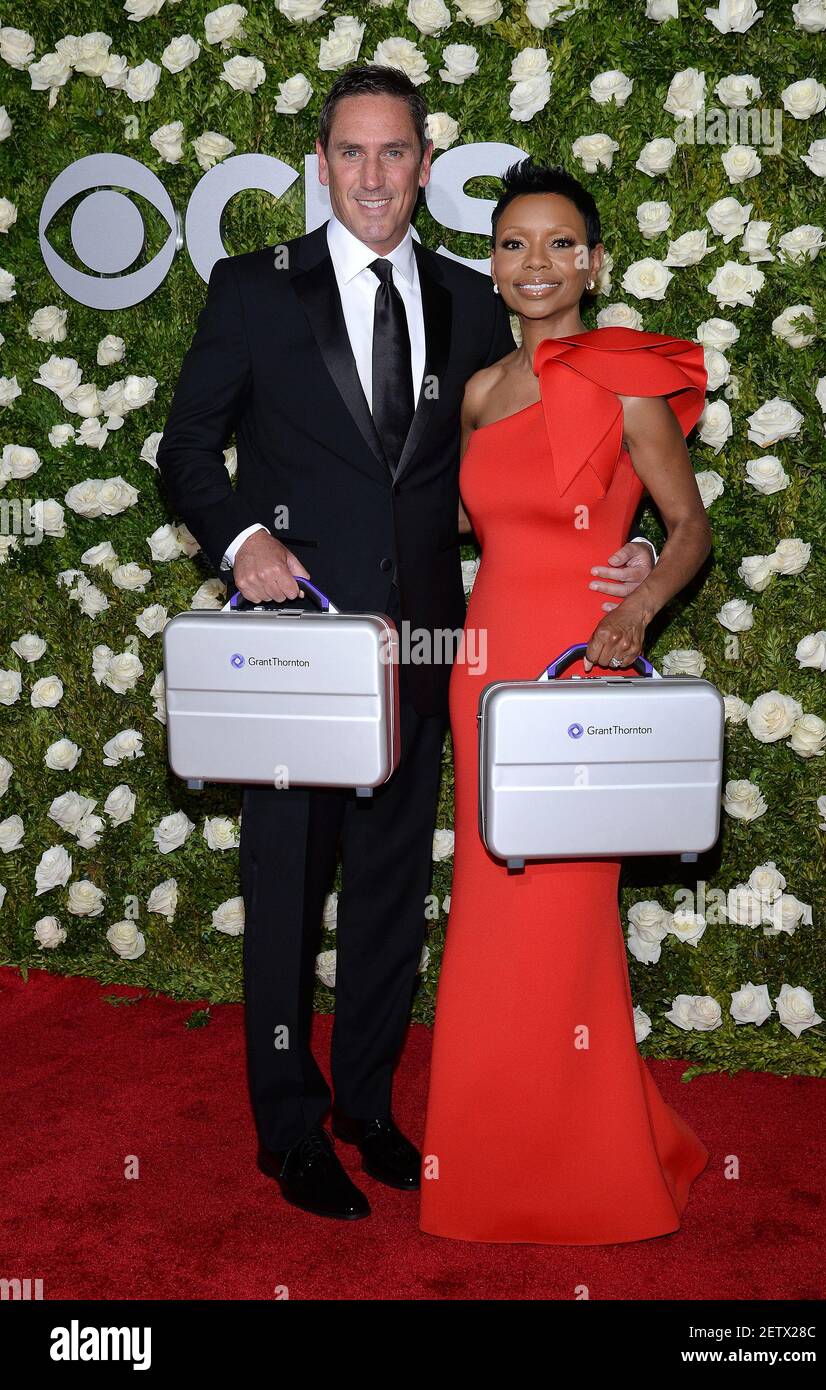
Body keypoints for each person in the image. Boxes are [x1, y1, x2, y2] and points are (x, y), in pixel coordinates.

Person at [156, 69, 658, 1222]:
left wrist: (625, 553)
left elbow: (547, 464)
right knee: (283, 893)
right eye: (351, 154)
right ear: (319, 163)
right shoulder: (250, 291)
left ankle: (367, 1104)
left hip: (431, 648)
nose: (373, 177)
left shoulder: (472, 302)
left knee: (387, 892)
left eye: (395, 156)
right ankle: (286, 1128)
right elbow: (185, 446)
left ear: (425, 166)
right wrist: (239, 540)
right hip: (297, 657)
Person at [419, 157, 712, 1245]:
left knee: (564, 915)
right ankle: (492, 1161)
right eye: (511, 244)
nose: (533, 262)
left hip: (579, 662)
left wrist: (638, 605)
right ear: (491, 268)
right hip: (484, 665)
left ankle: (588, 1165)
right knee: (495, 908)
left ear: (591, 261)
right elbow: (453, 523)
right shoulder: (476, 392)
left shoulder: (625, 376)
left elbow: (687, 525)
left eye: (556, 243)